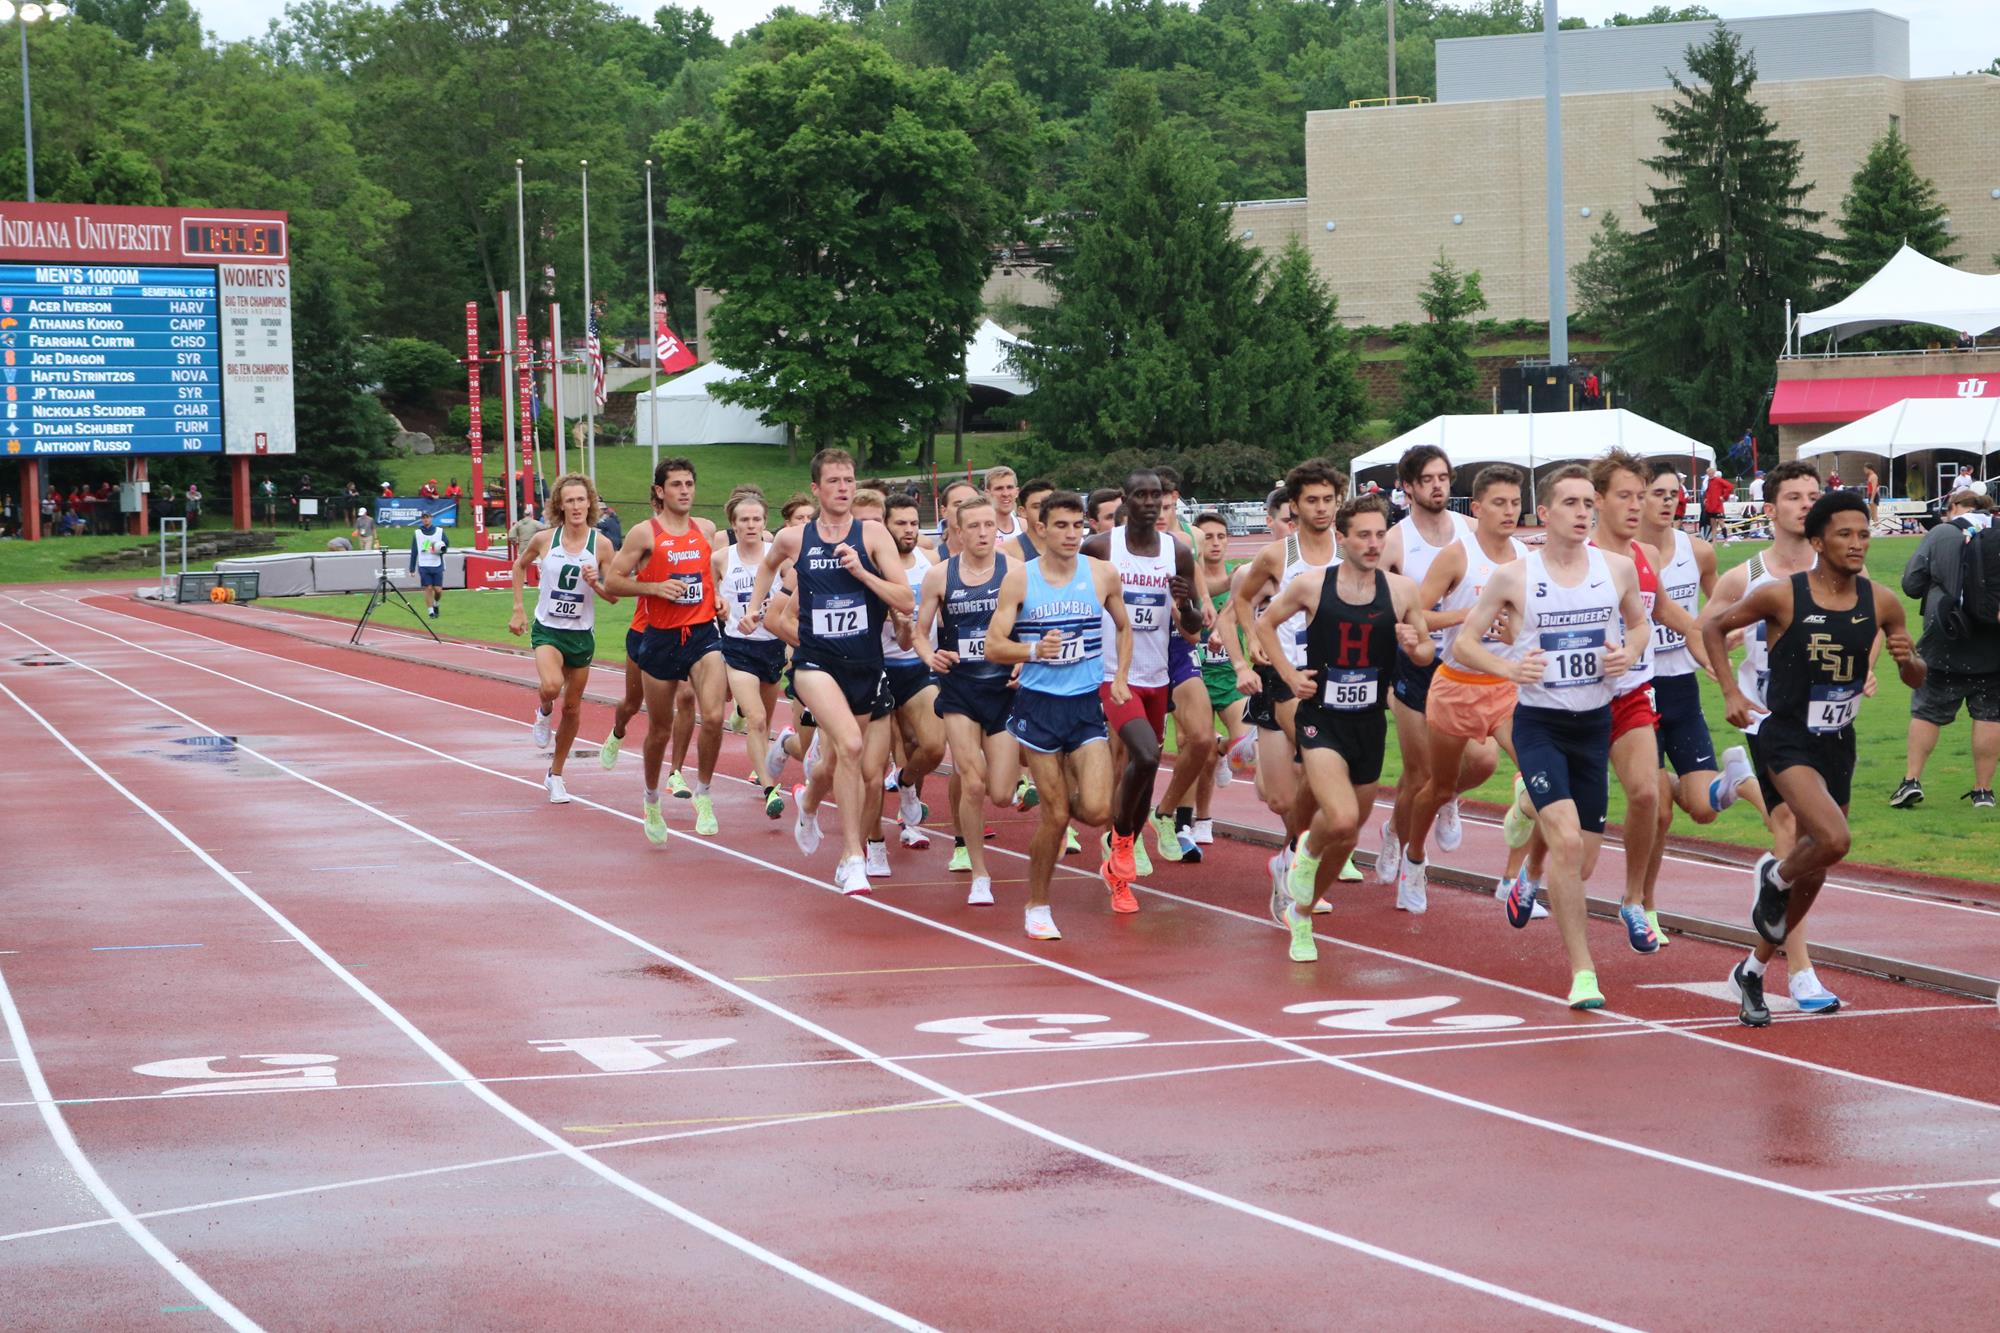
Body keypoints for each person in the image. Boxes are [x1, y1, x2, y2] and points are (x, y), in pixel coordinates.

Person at [1704, 491, 1925, 1026]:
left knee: (1818, 866)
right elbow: (1712, 627)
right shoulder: (1781, 596)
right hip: (1786, 738)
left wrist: (1908, 661)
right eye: (1845, 534)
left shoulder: (1883, 601)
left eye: (1864, 534)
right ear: (1819, 540)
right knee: (1833, 840)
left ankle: (1753, 970)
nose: (1856, 543)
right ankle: (1775, 879)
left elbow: (1916, 675)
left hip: (1837, 741)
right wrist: (1732, 693)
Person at [1452, 464, 1648, 1010]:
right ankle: (1584, 972)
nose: (1584, 513)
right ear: (1546, 512)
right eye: (1572, 504)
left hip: (1594, 725)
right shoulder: (1514, 576)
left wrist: (1628, 652)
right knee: (1564, 842)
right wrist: (1510, 669)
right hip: (1540, 724)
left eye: (1590, 503)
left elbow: (1640, 625)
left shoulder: (1616, 569)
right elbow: (1467, 644)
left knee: (1581, 863)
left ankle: (1527, 829)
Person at [1257, 493, 1434, 961]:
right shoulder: (1312, 586)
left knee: (1351, 835)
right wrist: (1290, 675)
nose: (1374, 544)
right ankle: (1304, 853)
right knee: (1338, 819)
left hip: (1370, 723)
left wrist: (1414, 644)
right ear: (1342, 537)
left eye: (1380, 534)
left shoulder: (1401, 591)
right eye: (1364, 535)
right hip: (1321, 721)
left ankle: (1302, 912)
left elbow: (1426, 653)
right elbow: (1265, 626)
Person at [1697, 460, 1843, 1011]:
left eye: (1814, 495)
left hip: (1826, 722)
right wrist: (1727, 684)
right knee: (1791, 828)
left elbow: (1872, 621)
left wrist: (1868, 668)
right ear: (1770, 507)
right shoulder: (1746, 577)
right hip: (1766, 718)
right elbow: (1704, 628)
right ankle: (1801, 971)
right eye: (1794, 497)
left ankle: (1756, 957)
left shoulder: (1837, 571)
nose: (1806, 504)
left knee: (1821, 844)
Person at [748, 448, 914, 895]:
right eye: (835, 481)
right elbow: (765, 567)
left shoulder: (873, 534)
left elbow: (905, 600)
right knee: (852, 746)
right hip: (816, 664)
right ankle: (852, 857)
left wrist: (862, 573)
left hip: (865, 664)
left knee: (837, 763)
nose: (844, 488)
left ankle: (807, 800)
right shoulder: (794, 538)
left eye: (849, 480)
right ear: (817, 488)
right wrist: (753, 608)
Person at [986, 490, 1131, 938]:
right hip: (1038, 706)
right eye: (1062, 526)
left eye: (1078, 526)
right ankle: (1038, 904)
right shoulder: (1020, 580)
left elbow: (1124, 626)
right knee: (1055, 816)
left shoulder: (1102, 573)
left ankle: (1063, 797)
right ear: (1041, 529)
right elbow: (993, 646)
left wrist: (1120, 676)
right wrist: (1032, 650)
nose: (1072, 534)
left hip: (1086, 703)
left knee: (1099, 809)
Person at [1635, 461, 1757, 942]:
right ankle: (1646, 906)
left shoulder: (1699, 551)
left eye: (1674, 494)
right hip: (1636, 689)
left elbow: (1717, 609)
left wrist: (1728, 636)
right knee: (1660, 814)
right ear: (1637, 498)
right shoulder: (1623, 555)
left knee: (1702, 810)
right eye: (1658, 493)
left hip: (1681, 684)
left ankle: (1722, 777)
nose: (1668, 502)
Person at [1404, 465, 1532, 914]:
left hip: (1506, 687)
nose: (1509, 511)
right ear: (1476, 508)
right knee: (1438, 787)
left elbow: (1527, 626)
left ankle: (1513, 882)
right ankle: (1414, 858)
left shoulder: (1525, 558)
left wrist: (1515, 631)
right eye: (1499, 503)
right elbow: (1416, 616)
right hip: (1456, 685)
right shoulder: (1458, 556)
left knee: (1542, 780)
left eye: (1515, 502)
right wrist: (1469, 617)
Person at [1219, 466, 1350, 894]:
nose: (1322, 508)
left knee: (1320, 767)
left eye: (1328, 499)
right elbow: (1241, 599)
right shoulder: (1280, 556)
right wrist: (1253, 639)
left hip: (1332, 679)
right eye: (1312, 500)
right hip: (1282, 674)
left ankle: (1298, 862)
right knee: (1279, 798)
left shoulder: (1349, 551)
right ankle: (1295, 851)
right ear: (1294, 505)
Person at [1080, 469, 1204, 900]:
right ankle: (1121, 838)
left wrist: (1186, 603)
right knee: (1147, 755)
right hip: (1113, 675)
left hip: (1158, 676)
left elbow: (1194, 627)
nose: (1150, 503)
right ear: (1126, 500)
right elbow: (1076, 596)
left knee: (1146, 772)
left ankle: (1121, 863)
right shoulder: (1101, 547)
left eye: (1157, 496)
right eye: (1141, 495)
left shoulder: (1178, 551)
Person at [606, 457, 729, 844]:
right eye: (676, 484)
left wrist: (719, 597)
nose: (685, 491)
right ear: (660, 491)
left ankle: (704, 793)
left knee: (712, 716)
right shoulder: (645, 534)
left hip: (702, 634)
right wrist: (653, 588)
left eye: (689, 484)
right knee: (659, 730)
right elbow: (612, 581)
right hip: (659, 638)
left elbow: (708, 575)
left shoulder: (707, 530)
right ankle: (651, 798)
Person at [917, 495, 1027, 906]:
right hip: (960, 689)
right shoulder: (940, 576)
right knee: (973, 780)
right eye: (975, 527)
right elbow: (918, 631)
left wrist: (1025, 661)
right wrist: (931, 655)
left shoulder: (1015, 572)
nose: (984, 533)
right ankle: (979, 871)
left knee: (1001, 792)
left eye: (989, 526)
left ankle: (1010, 784)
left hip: (1002, 691)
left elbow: (1033, 622)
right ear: (958, 532)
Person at [1378, 444, 1474, 909]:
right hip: (1411, 664)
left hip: (1461, 664)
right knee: (1417, 773)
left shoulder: (1468, 532)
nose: (1438, 486)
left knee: (1470, 763)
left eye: (1443, 477)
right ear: (1410, 487)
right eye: (1428, 479)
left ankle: (1449, 794)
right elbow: (1375, 599)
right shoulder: (1397, 540)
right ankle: (1396, 835)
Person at [509, 473, 617, 805]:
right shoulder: (544, 539)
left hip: (581, 634)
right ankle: (543, 711)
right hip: (548, 629)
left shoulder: (601, 545)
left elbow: (613, 595)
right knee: (553, 687)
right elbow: (518, 566)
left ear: (590, 503)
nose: (575, 506)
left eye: (581, 499)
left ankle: (555, 775)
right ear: (560, 504)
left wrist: (596, 581)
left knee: (571, 707)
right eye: (569, 500)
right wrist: (518, 609)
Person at [1893, 489, 2000, 810]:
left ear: (1953, 507)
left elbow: (1911, 585)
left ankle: (1911, 780)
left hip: (1946, 637)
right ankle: (1983, 790)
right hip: (1993, 639)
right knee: (1991, 714)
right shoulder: (1996, 533)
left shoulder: (1941, 533)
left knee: (1927, 711)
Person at [874, 492, 947, 871]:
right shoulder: (876, 564)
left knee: (932, 745)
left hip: (918, 665)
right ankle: (908, 824)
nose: (908, 530)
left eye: (914, 523)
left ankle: (905, 783)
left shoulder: (929, 561)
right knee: (897, 743)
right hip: (879, 666)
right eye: (900, 523)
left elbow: (941, 612)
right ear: (884, 526)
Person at [713, 490, 791, 820]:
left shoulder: (779, 555)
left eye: (756, 519)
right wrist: (720, 603)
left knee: (766, 719)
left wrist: (784, 608)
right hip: (738, 647)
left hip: (773, 645)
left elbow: (798, 588)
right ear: (733, 524)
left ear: (765, 522)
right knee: (758, 720)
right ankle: (769, 787)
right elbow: (710, 594)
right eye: (744, 519)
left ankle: (747, 724)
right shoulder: (721, 558)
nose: (750, 525)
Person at [409, 510, 449, 618]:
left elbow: (446, 545)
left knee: (438, 590)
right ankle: (430, 611)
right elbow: (414, 550)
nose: (425, 519)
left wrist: (440, 550)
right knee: (428, 588)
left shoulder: (439, 531)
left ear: (431, 518)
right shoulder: (417, 533)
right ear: (421, 519)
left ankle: (436, 603)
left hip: (437, 564)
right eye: (423, 517)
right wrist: (411, 568)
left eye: (427, 517)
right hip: (424, 564)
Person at [984, 465, 1024, 543]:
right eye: (999, 488)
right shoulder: (981, 530)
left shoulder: (1024, 526)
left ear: (1016, 492)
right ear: (987, 494)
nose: (1005, 494)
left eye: (1009, 487)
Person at [1700, 467, 1734, 541]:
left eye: (1710, 472)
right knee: (1713, 525)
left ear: (1713, 473)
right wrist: (1706, 499)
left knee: (1721, 523)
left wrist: (1724, 497)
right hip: (1711, 507)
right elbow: (1707, 492)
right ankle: (1714, 542)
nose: (1709, 474)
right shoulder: (1707, 481)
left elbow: (1730, 486)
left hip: (1718, 506)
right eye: (1708, 473)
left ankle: (1726, 540)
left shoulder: (1718, 480)